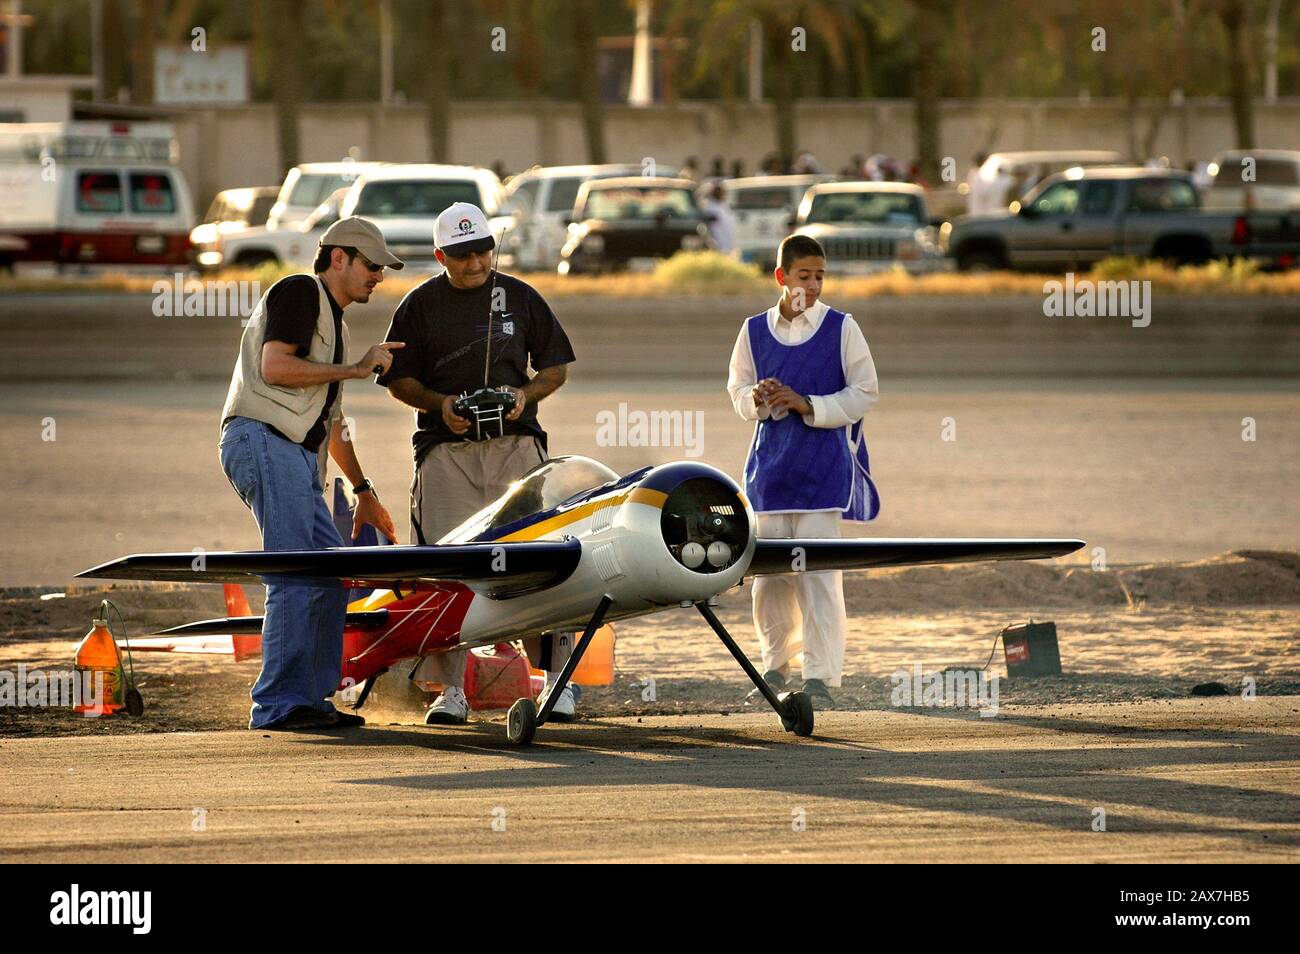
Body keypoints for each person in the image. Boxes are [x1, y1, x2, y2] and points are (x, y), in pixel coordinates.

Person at [377, 202, 577, 725]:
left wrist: (524, 395)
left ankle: (557, 682)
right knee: (447, 566)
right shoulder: (418, 306)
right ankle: (451, 691)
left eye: (483, 250)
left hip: (517, 447)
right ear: (440, 255)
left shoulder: (522, 296)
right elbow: (398, 379)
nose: (476, 262)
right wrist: (440, 404)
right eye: (463, 255)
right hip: (446, 451)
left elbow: (555, 367)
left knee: (546, 558)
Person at [219, 216, 403, 731]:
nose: (379, 276)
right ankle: (279, 705)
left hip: (291, 452)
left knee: (327, 576)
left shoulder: (337, 328)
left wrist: (363, 490)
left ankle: (311, 699)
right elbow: (275, 367)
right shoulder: (299, 291)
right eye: (372, 265)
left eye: (383, 268)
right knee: (296, 573)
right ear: (338, 257)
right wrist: (354, 369)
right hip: (263, 439)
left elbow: (334, 423)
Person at [725, 233, 880, 710]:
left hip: (822, 474)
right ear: (781, 277)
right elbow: (736, 392)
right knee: (769, 581)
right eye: (803, 276)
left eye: (819, 277)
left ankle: (821, 676)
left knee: (818, 578)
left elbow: (865, 392)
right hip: (769, 476)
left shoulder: (842, 327)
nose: (811, 286)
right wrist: (757, 399)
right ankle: (773, 666)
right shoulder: (752, 330)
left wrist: (808, 403)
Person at [700, 182, 737, 256]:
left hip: (727, 247)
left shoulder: (723, 206)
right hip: (717, 247)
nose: (722, 194)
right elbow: (706, 229)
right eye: (718, 191)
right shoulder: (709, 208)